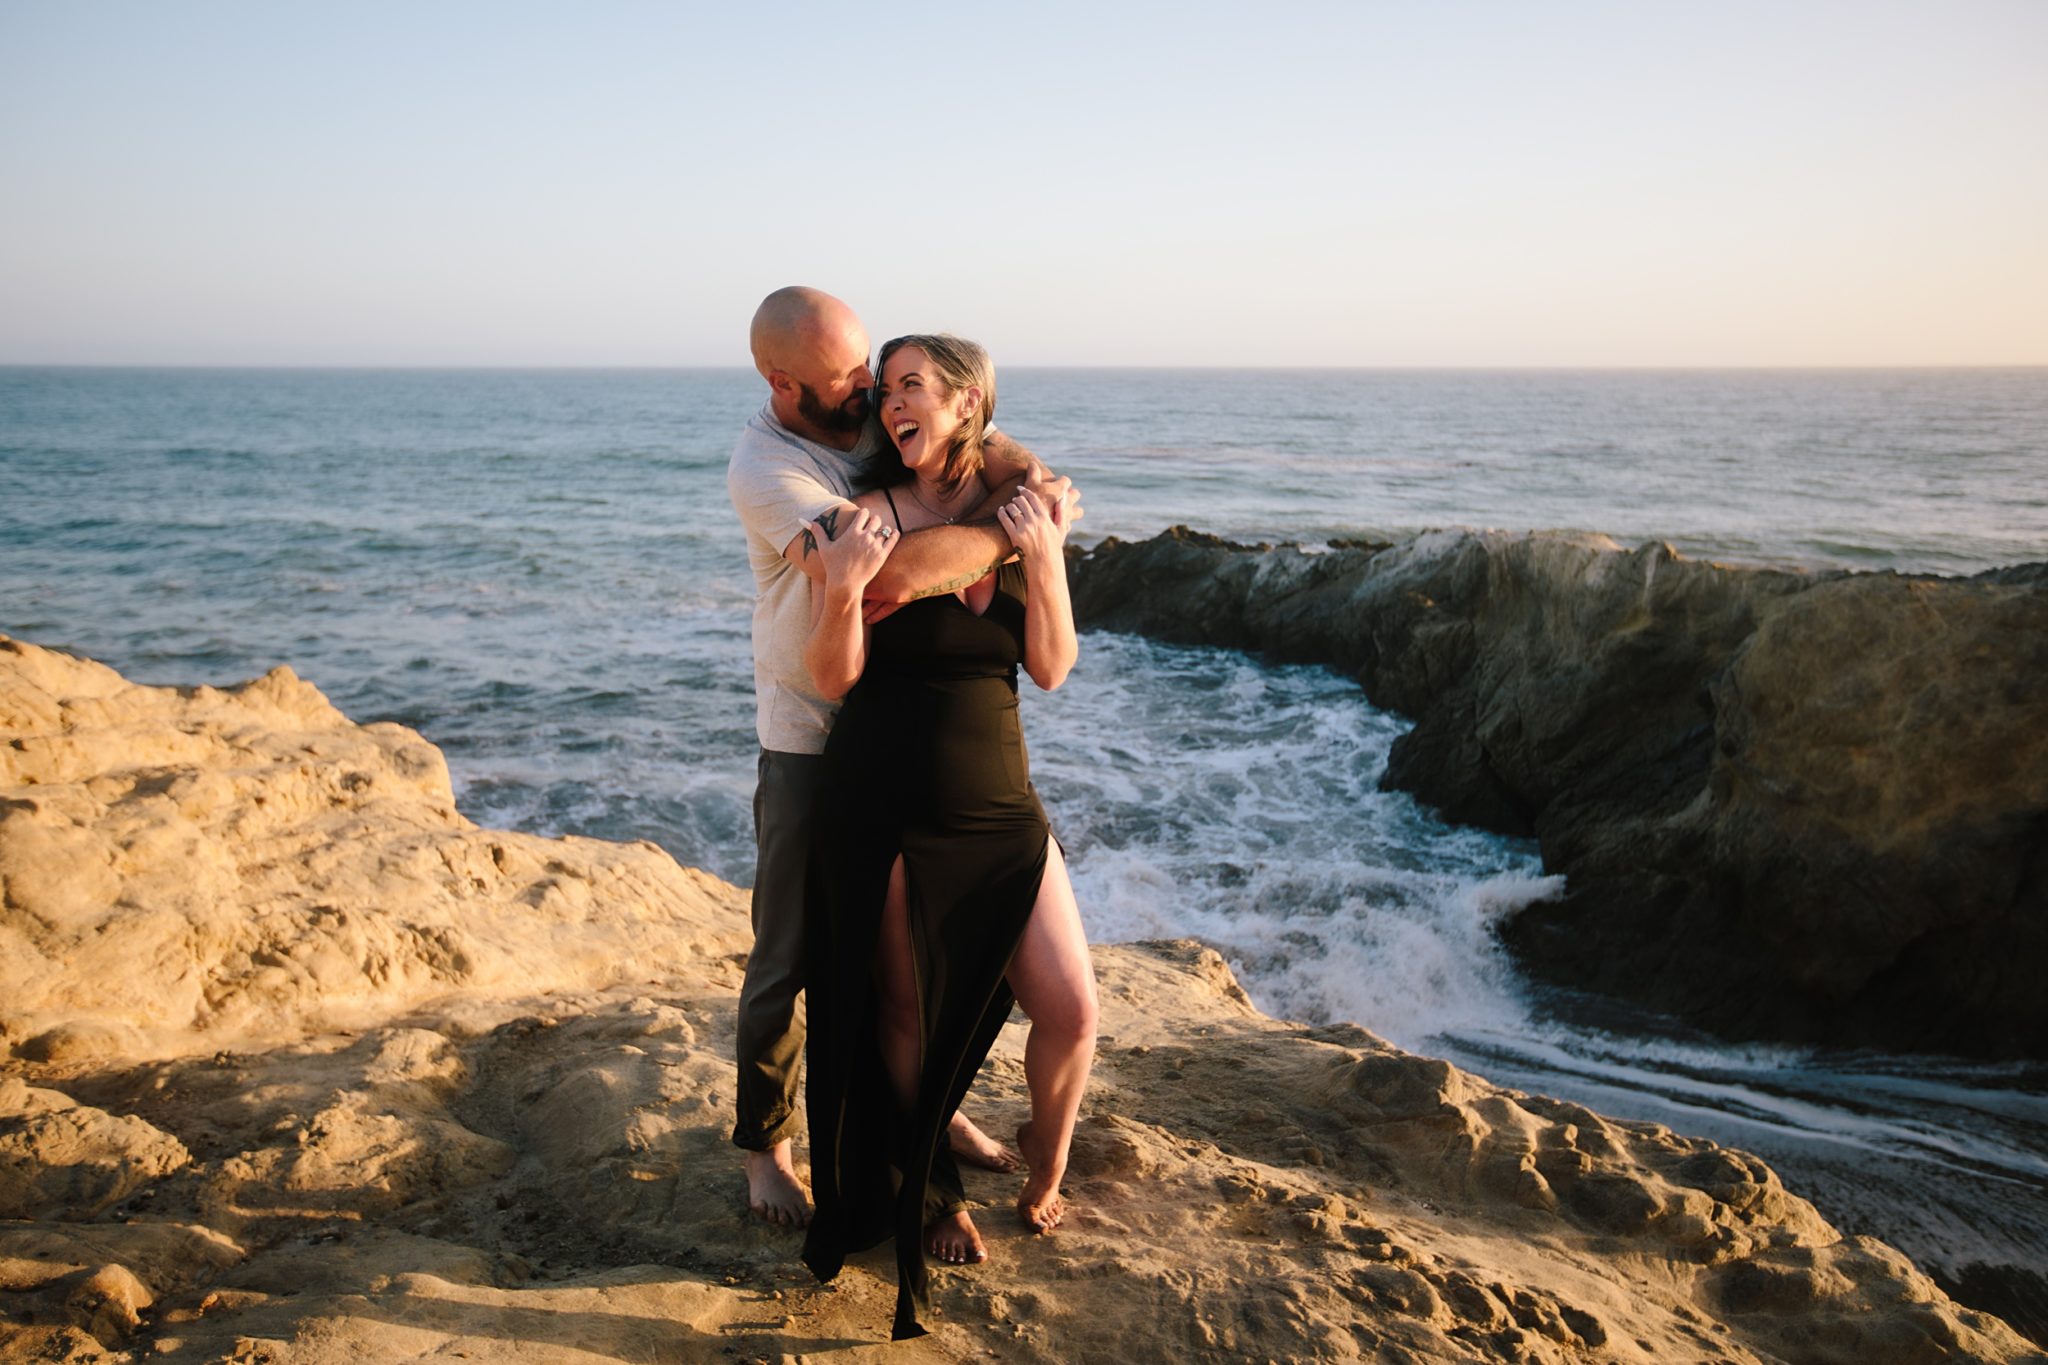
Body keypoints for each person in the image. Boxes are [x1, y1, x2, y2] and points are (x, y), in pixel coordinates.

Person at [725, 288, 1078, 1227]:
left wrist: (1028, 479)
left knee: (915, 967)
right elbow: (884, 572)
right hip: (812, 736)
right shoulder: (769, 465)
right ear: (782, 381)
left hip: (905, 738)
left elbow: (983, 451)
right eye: (851, 379)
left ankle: (935, 1114)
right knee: (789, 951)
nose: (869, 393)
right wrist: (1018, 528)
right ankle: (766, 1146)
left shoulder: (870, 431)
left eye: (877, 379)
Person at [797, 334, 1098, 1340]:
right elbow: (832, 678)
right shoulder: (861, 521)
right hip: (878, 798)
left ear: (967, 404)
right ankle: (930, 1189)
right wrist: (844, 588)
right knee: (905, 1011)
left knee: (1068, 1008)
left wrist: (1041, 553)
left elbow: (1050, 667)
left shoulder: (1018, 512)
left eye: (911, 388)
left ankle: (1046, 1159)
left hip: (997, 802)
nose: (890, 406)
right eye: (885, 393)